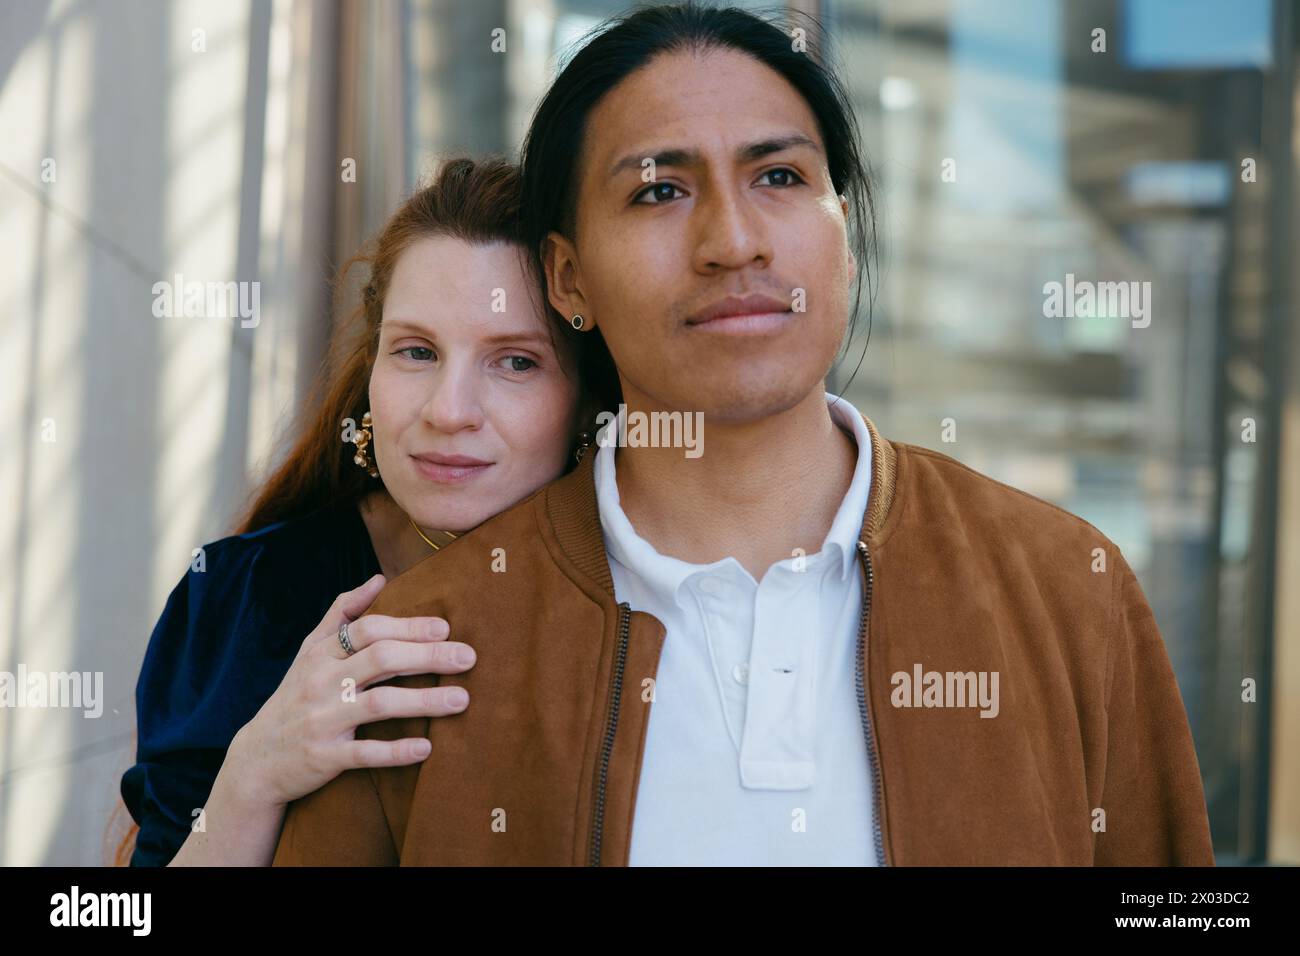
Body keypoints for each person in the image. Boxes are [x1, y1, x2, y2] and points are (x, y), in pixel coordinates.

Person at [271, 3, 1215, 866]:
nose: (733, 241)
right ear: (568, 281)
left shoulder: (1065, 592)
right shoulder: (423, 653)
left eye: (779, 176)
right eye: (657, 191)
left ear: (841, 232)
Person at [118, 157, 619, 865]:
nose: (449, 411)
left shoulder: (641, 592)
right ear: (372, 365)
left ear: (584, 406)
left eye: (515, 362)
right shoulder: (246, 598)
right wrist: (254, 772)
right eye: (417, 352)